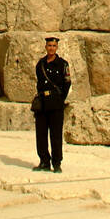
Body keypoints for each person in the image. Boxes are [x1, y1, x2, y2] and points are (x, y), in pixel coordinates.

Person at [32, 36, 71, 173]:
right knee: (41, 134)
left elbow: (67, 83)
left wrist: (60, 99)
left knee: (55, 135)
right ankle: (44, 161)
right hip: (42, 103)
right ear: (46, 47)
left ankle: (57, 163)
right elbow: (39, 82)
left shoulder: (62, 64)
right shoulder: (41, 64)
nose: (51, 48)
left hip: (55, 104)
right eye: (49, 46)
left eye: (54, 46)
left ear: (57, 48)